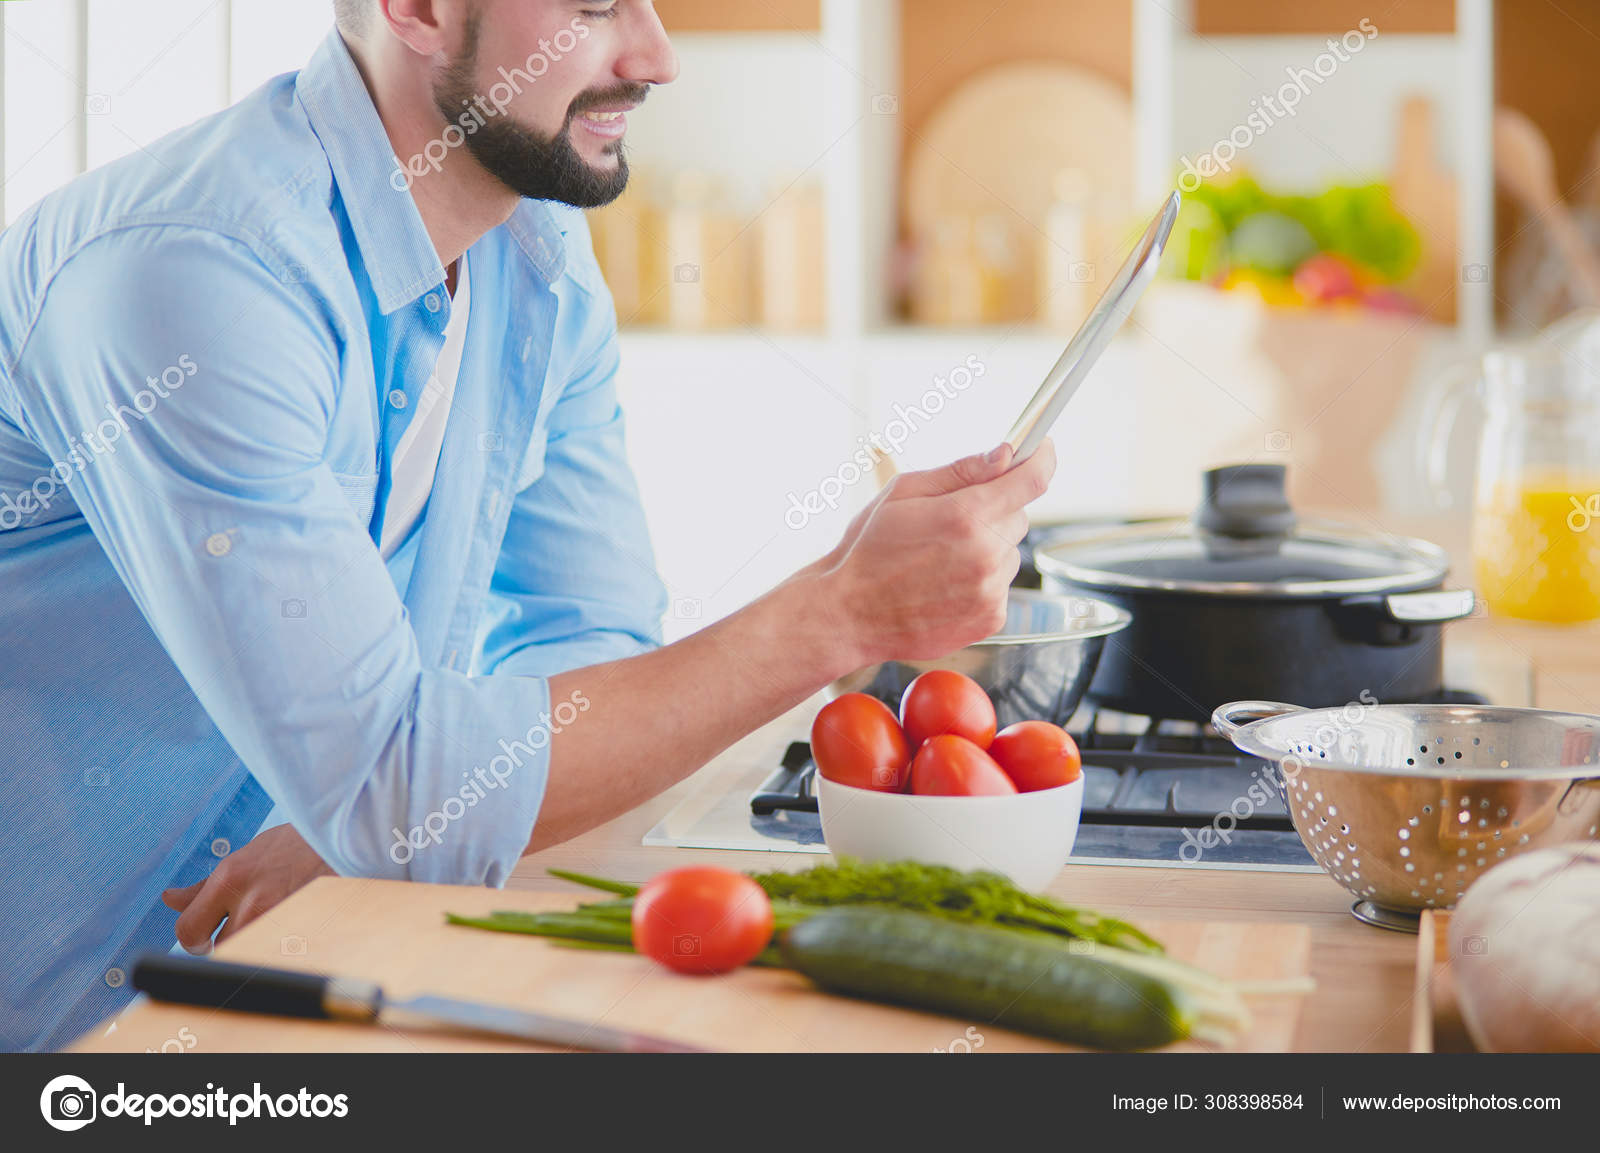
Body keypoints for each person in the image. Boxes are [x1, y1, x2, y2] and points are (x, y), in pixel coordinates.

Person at [0, 0, 1054, 1050]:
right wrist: (837, 615)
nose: (657, 57)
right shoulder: (195, 277)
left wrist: (379, 828)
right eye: (594, 7)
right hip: (59, 1029)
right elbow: (394, 788)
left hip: (275, 996)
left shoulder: (535, 252)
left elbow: (582, 634)